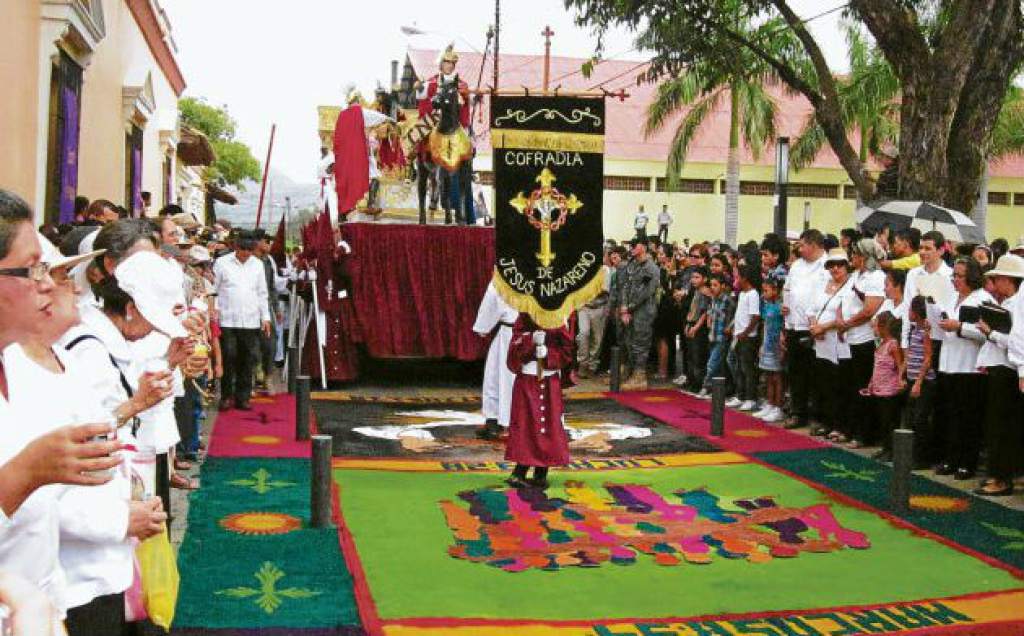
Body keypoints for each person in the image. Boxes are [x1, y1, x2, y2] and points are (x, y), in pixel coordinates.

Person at [16, 244, 171, 634]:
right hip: (64, 580)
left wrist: (130, 501)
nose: (72, 288)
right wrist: (120, 518)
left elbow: (94, 443)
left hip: (97, 569)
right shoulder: (20, 374)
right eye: (51, 275)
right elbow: (33, 488)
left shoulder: (61, 360)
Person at [934, 257, 990, 480]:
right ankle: (951, 458)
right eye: (954, 275)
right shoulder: (952, 297)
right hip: (949, 362)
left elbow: (986, 333)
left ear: (972, 277)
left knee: (968, 417)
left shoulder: (982, 299)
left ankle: (967, 462)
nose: (955, 280)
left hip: (969, 366)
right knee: (951, 415)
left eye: (959, 276)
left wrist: (960, 327)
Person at [504, 314, 573, 489]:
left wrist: (549, 354)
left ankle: (541, 473)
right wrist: (530, 341)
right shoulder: (525, 316)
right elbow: (514, 350)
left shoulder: (560, 317)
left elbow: (567, 351)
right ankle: (519, 472)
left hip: (549, 380)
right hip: (528, 380)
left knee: (548, 424)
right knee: (526, 424)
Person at [974, 254, 1024, 496]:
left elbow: (1015, 340)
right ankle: (1007, 473)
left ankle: (1002, 477)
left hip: (1007, 371)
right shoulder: (1008, 303)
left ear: (1007, 280)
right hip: (1002, 368)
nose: (995, 284)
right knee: (1003, 426)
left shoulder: (1016, 305)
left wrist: (990, 332)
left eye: (997, 279)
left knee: (1001, 427)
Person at [213, 231, 271, 410]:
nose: (246, 253)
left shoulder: (257, 265)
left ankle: (243, 397)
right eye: (243, 249)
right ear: (236, 247)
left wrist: (265, 317)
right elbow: (214, 289)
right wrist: (214, 310)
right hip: (228, 319)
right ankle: (226, 395)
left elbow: (262, 292)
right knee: (229, 356)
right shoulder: (222, 263)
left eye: (249, 250)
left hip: (250, 319)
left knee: (247, 359)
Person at [806, 248, 854, 442]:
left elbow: (846, 316)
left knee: (839, 386)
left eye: (840, 264)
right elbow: (811, 309)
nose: (835, 268)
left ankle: (839, 425)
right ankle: (825, 422)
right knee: (823, 384)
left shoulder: (851, 286)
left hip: (840, 342)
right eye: (831, 265)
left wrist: (823, 327)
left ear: (846, 266)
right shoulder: (822, 284)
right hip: (820, 343)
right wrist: (814, 327)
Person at [842, 239, 886, 446]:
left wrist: (847, 324)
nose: (853, 257)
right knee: (851, 385)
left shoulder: (876, 277)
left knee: (863, 386)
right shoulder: (855, 275)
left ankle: (865, 433)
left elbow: (869, 310)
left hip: (865, 337)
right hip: (850, 337)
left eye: (856, 254)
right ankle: (851, 428)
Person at [782, 229, 827, 429]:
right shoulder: (797, 266)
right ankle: (798, 412)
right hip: (794, 324)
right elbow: (787, 289)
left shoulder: (827, 265)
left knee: (816, 374)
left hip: (816, 328)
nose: (799, 250)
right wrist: (785, 314)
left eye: (802, 245)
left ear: (813, 245)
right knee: (796, 372)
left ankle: (817, 415)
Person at [471, 281, 519, 440]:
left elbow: (492, 298)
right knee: (499, 376)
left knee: (504, 378)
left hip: (512, 335)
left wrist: (483, 327)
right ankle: (495, 420)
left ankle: (506, 423)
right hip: (539, 334)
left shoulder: (504, 277)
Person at [860, 311, 904, 461]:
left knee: (889, 421)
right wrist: (871, 383)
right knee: (882, 421)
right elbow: (877, 366)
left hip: (889, 390)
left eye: (876, 326)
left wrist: (900, 380)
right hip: (879, 389)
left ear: (884, 327)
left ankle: (891, 450)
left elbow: (899, 365)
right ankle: (885, 447)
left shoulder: (893, 345)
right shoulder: (881, 343)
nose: (874, 329)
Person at [617, 239, 660, 390]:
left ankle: (640, 376)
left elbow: (646, 292)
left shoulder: (651, 268)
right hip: (630, 310)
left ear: (643, 247)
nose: (631, 248)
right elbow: (625, 286)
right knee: (628, 340)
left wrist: (629, 308)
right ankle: (630, 373)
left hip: (644, 311)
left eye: (634, 245)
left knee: (640, 343)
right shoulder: (632, 264)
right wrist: (624, 306)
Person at [903, 296, 936, 467]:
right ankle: (912, 454)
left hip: (923, 381)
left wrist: (918, 382)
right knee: (911, 418)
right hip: (912, 378)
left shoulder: (926, 331)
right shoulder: (913, 329)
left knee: (920, 419)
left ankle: (923, 457)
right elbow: (910, 354)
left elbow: (928, 357)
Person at [725, 263, 760, 411]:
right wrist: (732, 327)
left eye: (737, 277)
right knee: (739, 367)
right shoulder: (742, 294)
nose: (735, 280)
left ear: (744, 278)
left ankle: (750, 398)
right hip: (738, 335)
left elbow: (755, 316)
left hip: (748, 337)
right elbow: (739, 314)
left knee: (747, 368)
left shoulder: (753, 294)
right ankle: (740, 395)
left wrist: (745, 333)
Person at [697, 272, 734, 399]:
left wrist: (728, 329)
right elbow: (710, 313)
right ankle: (716, 389)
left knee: (712, 363)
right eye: (711, 285)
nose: (712, 287)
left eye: (715, 285)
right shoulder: (713, 299)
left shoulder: (728, 300)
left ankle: (706, 386)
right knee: (718, 365)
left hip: (722, 337)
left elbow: (731, 319)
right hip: (712, 336)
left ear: (723, 286)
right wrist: (709, 319)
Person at [754, 275, 785, 423]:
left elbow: (784, 326)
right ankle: (770, 403)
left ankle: (778, 408)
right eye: (763, 290)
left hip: (777, 345)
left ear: (775, 290)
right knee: (768, 375)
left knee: (777, 377)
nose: (763, 294)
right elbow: (765, 326)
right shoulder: (766, 306)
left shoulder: (781, 307)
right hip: (767, 343)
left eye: (766, 291)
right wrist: (762, 344)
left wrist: (782, 346)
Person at [577, 254, 611, 379]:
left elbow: (605, 292)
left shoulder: (605, 270)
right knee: (583, 333)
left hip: (598, 307)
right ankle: (583, 364)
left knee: (597, 339)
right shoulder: (581, 267)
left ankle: (592, 365)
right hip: (583, 307)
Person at [683, 267, 711, 393]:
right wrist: (688, 324)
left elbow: (704, 313)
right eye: (692, 277)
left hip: (699, 327)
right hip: (691, 323)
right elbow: (692, 309)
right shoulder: (696, 291)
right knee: (690, 355)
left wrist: (695, 327)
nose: (693, 280)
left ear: (705, 279)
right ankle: (692, 381)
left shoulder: (705, 293)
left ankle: (698, 384)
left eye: (697, 277)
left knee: (698, 357)